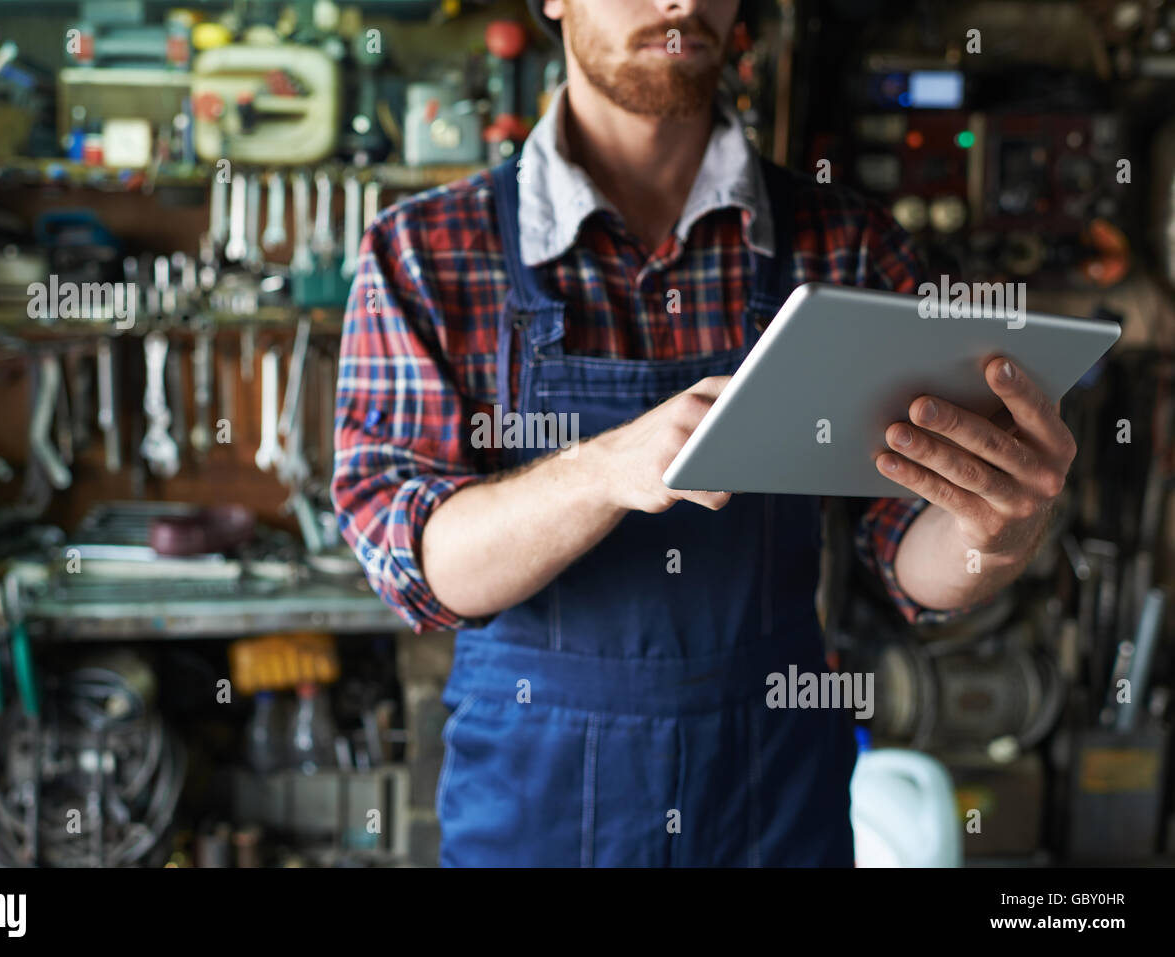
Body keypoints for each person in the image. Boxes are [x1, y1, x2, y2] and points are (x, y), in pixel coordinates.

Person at [331, 0, 1076, 866]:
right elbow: (418, 564)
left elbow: (911, 549)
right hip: (537, 812)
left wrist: (999, 530)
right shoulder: (425, 253)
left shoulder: (846, 246)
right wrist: (603, 471)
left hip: (773, 805)